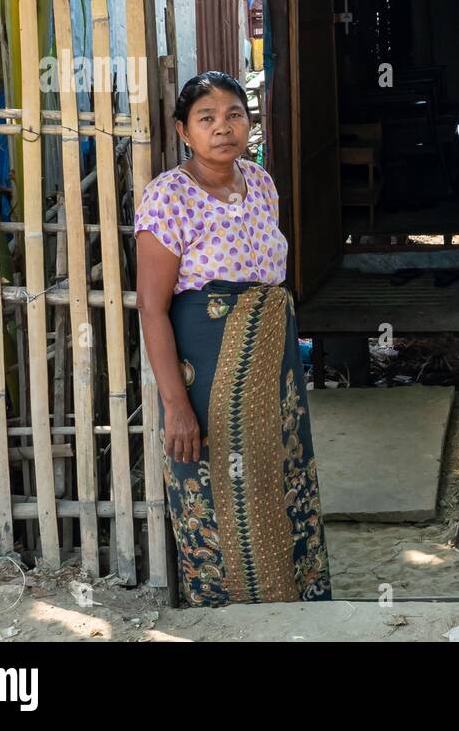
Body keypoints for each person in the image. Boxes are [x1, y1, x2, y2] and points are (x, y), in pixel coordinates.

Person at [134, 71, 331, 606]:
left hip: (272, 373)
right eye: (207, 119)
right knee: (216, 491)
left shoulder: (260, 181)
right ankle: (225, 616)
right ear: (183, 131)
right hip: (208, 377)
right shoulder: (167, 198)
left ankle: (291, 604)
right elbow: (152, 309)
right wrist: (176, 405)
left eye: (234, 115)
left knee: (277, 481)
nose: (224, 128)